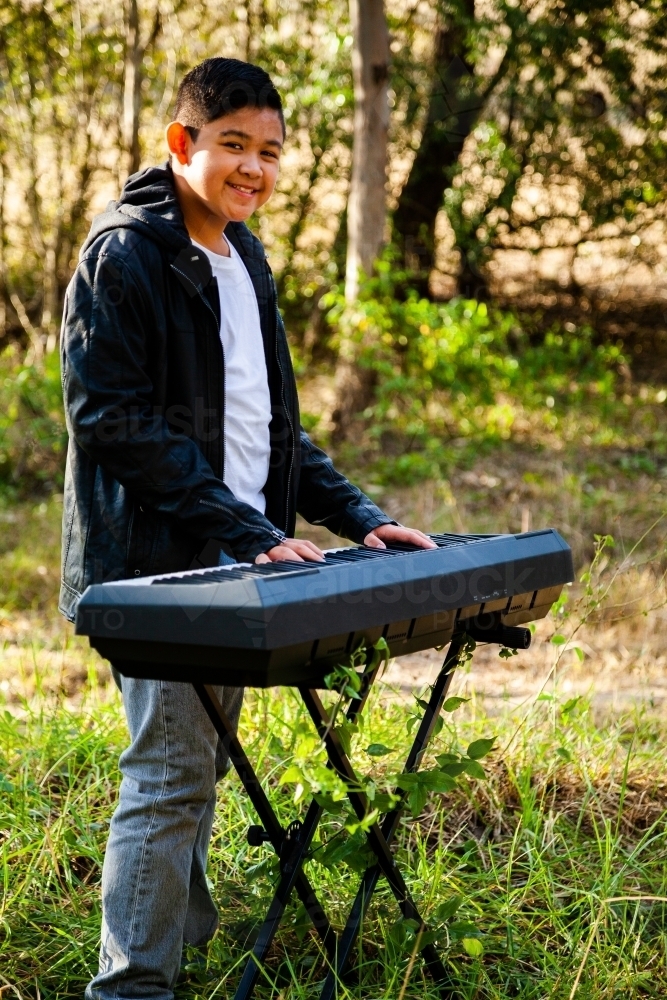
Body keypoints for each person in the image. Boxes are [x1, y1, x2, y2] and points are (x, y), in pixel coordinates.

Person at [59, 57, 435, 1000]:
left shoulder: (244, 253)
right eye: (233, 146)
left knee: (195, 770)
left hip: (236, 557)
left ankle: (172, 949)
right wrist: (235, 527)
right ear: (182, 143)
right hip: (160, 570)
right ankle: (134, 987)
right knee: (171, 772)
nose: (254, 169)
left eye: (269, 152)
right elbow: (111, 420)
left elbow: (271, 430)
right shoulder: (125, 254)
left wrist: (360, 517)